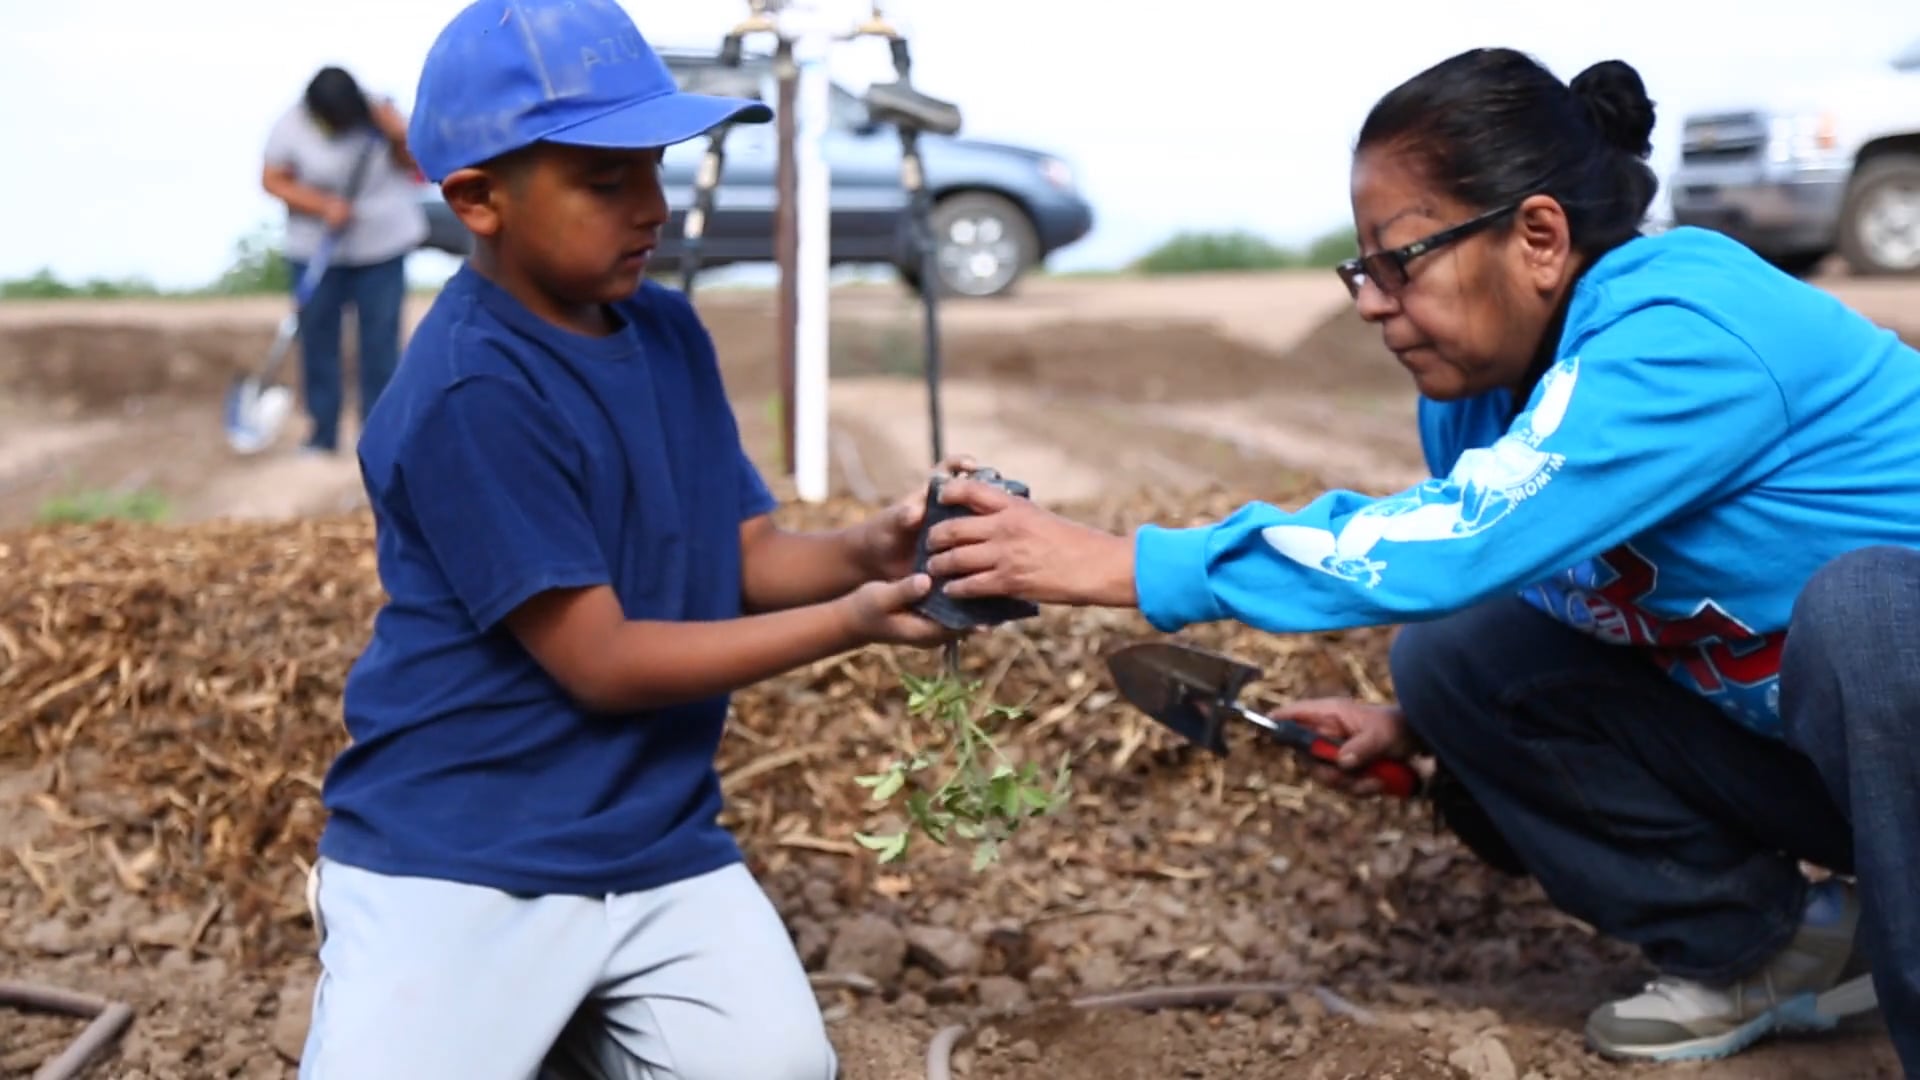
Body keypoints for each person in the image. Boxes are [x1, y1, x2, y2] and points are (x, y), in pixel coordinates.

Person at [923, 47, 1920, 1073]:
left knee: (1871, 616)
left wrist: (1127, 564)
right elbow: (1562, 593)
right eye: (1362, 270)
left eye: (1401, 262)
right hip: (1847, 770)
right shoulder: (1480, 399)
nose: (1370, 302)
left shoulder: (1686, 332)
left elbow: (1458, 538)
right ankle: (1774, 949)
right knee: (1456, 659)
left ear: (1538, 237)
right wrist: (1428, 728)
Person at [295, 2, 963, 1076]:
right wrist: (854, 621)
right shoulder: (472, 389)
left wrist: (873, 550)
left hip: (653, 841)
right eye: (606, 181)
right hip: (462, 851)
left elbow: (744, 558)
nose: (651, 205)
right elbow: (602, 664)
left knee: (782, 1071)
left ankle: (558, 1028)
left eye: (655, 166)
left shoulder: (666, 331)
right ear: (477, 200)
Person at [261, 65, 427, 455]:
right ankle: (322, 435)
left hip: (381, 246)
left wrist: (398, 135)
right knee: (318, 339)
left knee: (380, 342)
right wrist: (322, 205)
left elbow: (418, 167)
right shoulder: (291, 124)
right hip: (316, 249)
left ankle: (379, 435)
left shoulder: (381, 117)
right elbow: (272, 179)